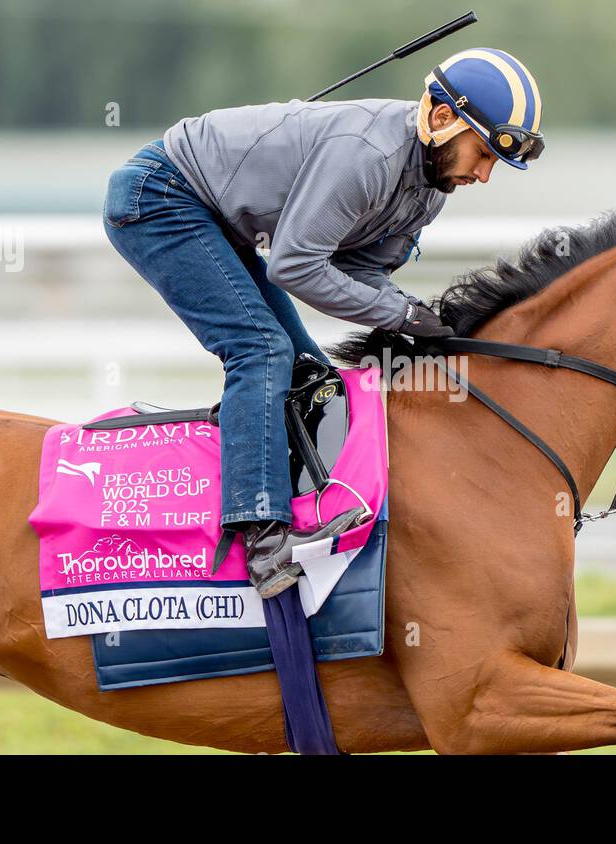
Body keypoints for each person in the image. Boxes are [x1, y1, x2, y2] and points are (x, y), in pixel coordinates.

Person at [102, 48, 544, 598]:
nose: (483, 174)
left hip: (217, 217)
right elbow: (294, 265)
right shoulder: (367, 156)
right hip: (161, 196)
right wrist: (399, 313)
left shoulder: (431, 188)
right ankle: (259, 534)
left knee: (309, 368)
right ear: (439, 119)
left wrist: (417, 318)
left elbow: (358, 270)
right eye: (482, 153)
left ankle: (307, 505)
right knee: (262, 351)